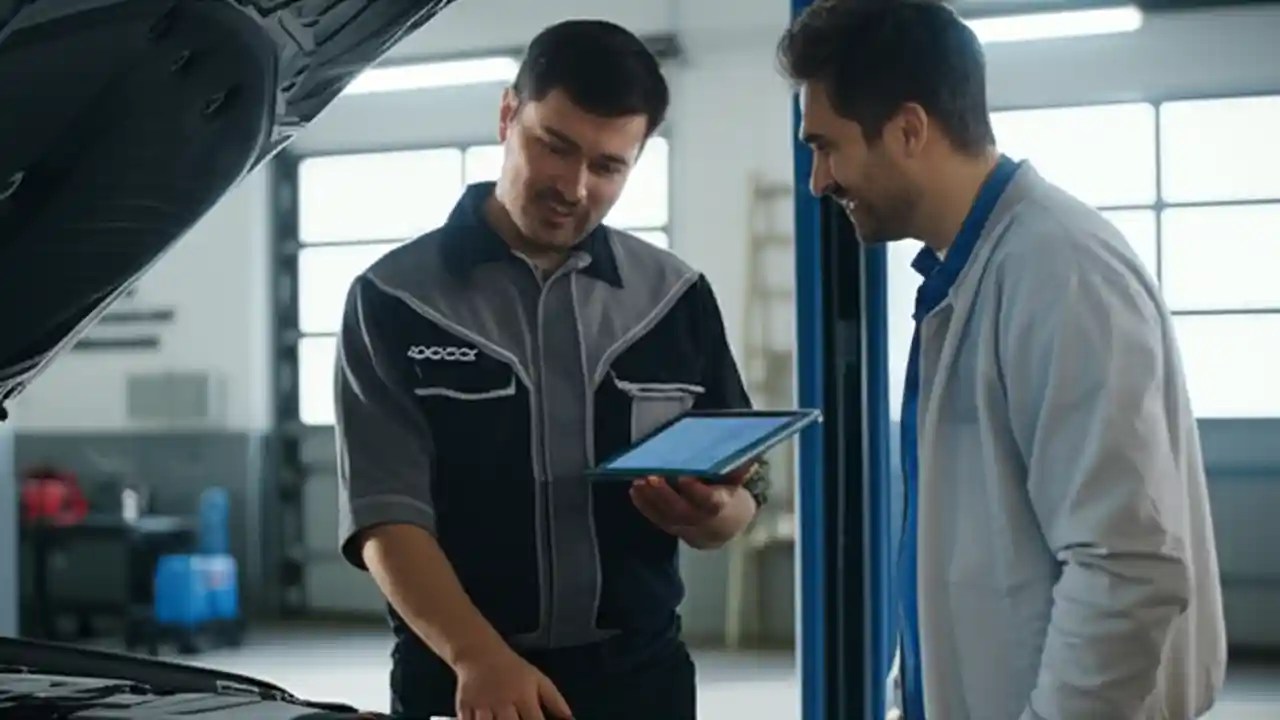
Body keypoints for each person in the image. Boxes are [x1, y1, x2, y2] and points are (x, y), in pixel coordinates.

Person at [778, 1, 1226, 719]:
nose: (818, 181)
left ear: (908, 130)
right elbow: (963, 547)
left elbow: (1128, 566)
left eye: (826, 147)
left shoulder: (1059, 271)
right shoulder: (973, 274)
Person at [333, 18, 770, 720]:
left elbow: (744, 486)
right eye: (553, 146)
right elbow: (386, 520)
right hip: (461, 679)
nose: (573, 186)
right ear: (509, 114)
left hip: (642, 680)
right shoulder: (394, 300)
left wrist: (718, 515)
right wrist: (479, 656)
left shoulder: (675, 298)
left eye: (607, 166)